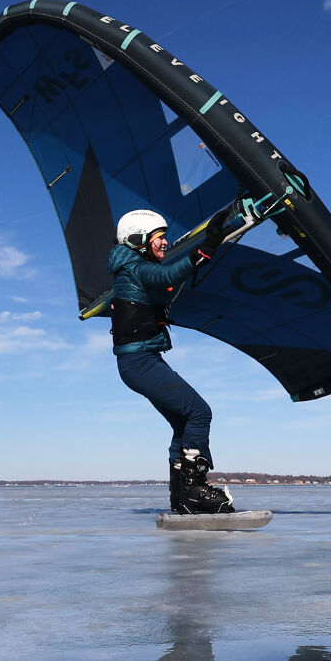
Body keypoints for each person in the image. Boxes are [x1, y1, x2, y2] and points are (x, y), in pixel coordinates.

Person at [108, 210, 235, 515]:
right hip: (140, 362)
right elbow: (165, 276)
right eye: (158, 238)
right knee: (199, 412)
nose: (165, 243)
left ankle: (181, 497)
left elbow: (161, 279)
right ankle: (194, 489)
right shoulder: (134, 269)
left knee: (183, 422)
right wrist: (207, 248)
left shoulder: (132, 267)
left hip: (141, 361)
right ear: (139, 241)